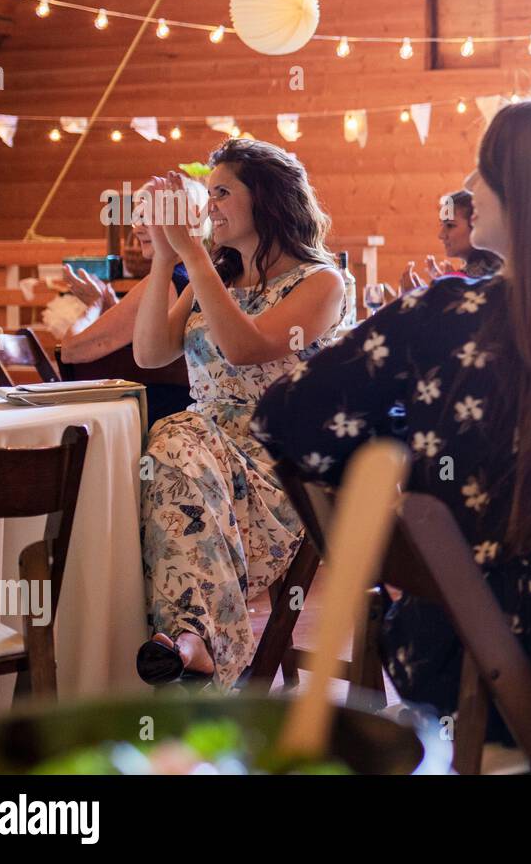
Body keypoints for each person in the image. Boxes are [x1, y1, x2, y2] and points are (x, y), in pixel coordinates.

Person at [254, 98, 531, 739]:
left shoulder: (442, 317)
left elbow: (285, 417)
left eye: (482, 169)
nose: (466, 188)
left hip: (460, 671)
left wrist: (406, 479)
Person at [132, 139, 346, 687]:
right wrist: (164, 257)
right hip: (206, 460)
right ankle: (194, 640)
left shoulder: (319, 282)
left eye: (222, 193)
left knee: (172, 437)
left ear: (268, 200)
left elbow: (246, 347)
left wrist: (193, 254)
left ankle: (195, 643)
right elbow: (152, 353)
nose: (210, 208)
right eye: (209, 195)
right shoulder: (219, 279)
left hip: (280, 470)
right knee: (166, 455)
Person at [59, 179, 207, 425]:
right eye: (137, 216)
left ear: (184, 218)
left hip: (148, 421)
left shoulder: (165, 282)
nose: (137, 228)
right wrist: (110, 303)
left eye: (149, 216)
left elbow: (72, 350)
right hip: (186, 413)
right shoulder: (200, 278)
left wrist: (93, 306)